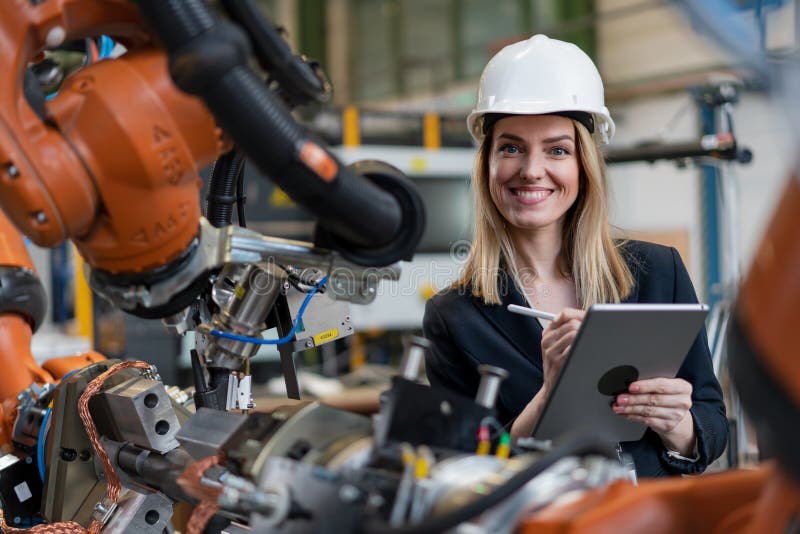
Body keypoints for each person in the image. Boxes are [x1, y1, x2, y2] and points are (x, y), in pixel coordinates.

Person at [422, 34, 728, 477]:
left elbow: (713, 426)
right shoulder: (455, 316)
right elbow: (460, 470)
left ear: (583, 165)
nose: (531, 170)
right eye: (510, 147)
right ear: (487, 162)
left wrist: (678, 424)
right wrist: (550, 397)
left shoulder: (659, 273)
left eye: (557, 150)